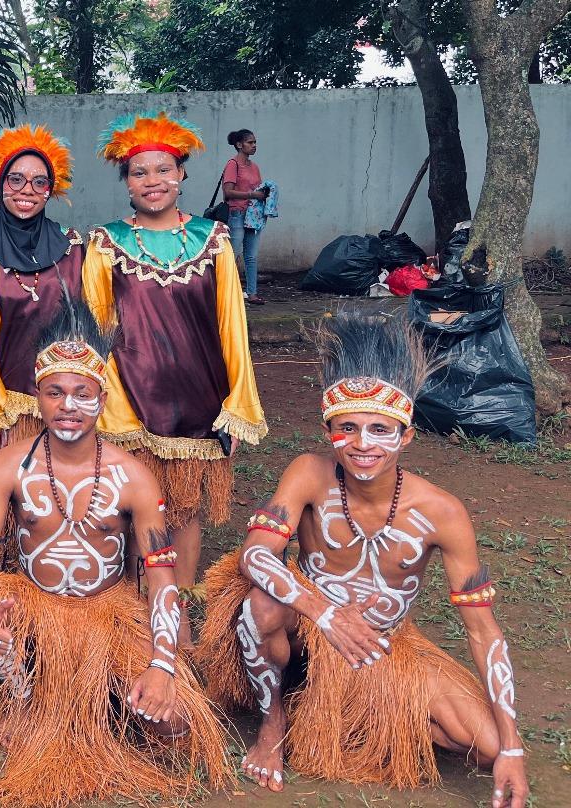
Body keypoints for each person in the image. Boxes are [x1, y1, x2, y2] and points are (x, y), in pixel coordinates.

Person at [194, 310, 529, 808]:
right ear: (330, 430)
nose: (362, 444)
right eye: (347, 427)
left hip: (383, 645)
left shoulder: (442, 512)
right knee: (261, 605)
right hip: (305, 627)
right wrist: (324, 613)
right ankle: (275, 721)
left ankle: (345, 708)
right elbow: (255, 556)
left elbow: (483, 631)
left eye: (380, 429)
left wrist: (515, 747)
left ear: (407, 435)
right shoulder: (309, 473)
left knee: (484, 746)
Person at [0, 295, 231, 808]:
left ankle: (98, 697)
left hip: (106, 615)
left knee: (173, 728)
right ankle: (31, 696)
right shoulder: (6, 466)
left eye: (81, 393)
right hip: (30, 606)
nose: (68, 406)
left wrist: (161, 664)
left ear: (102, 395)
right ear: (38, 396)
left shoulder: (134, 477)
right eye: (55, 392)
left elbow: (162, 580)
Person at [83, 110, 267, 644]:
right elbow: (94, 331)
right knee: (130, 511)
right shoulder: (106, 242)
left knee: (185, 511)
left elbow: (233, 324)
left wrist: (238, 405)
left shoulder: (213, 239)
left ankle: (178, 607)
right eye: (139, 173)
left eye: (163, 170)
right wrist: (100, 406)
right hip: (128, 402)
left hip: (199, 400)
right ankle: (134, 607)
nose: (153, 181)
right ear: (126, 181)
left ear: (182, 173)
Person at [0, 125, 84, 459]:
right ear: (0, 183)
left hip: (66, 402)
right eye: (16, 179)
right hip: (8, 406)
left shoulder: (74, 248)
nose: (27, 190)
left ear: (50, 190)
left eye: (40, 181)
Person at [222, 128, 267, 305]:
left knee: (252, 256)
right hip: (237, 214)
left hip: (253, 216)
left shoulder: (254, 167)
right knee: (233, 254)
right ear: (239, 145)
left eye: (255, 142)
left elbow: (258, 189)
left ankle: (252, 293)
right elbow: (228, 192)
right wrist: (252, 195)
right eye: (250, 142)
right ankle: (226, 293)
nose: (254, 145)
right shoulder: (233, 164)